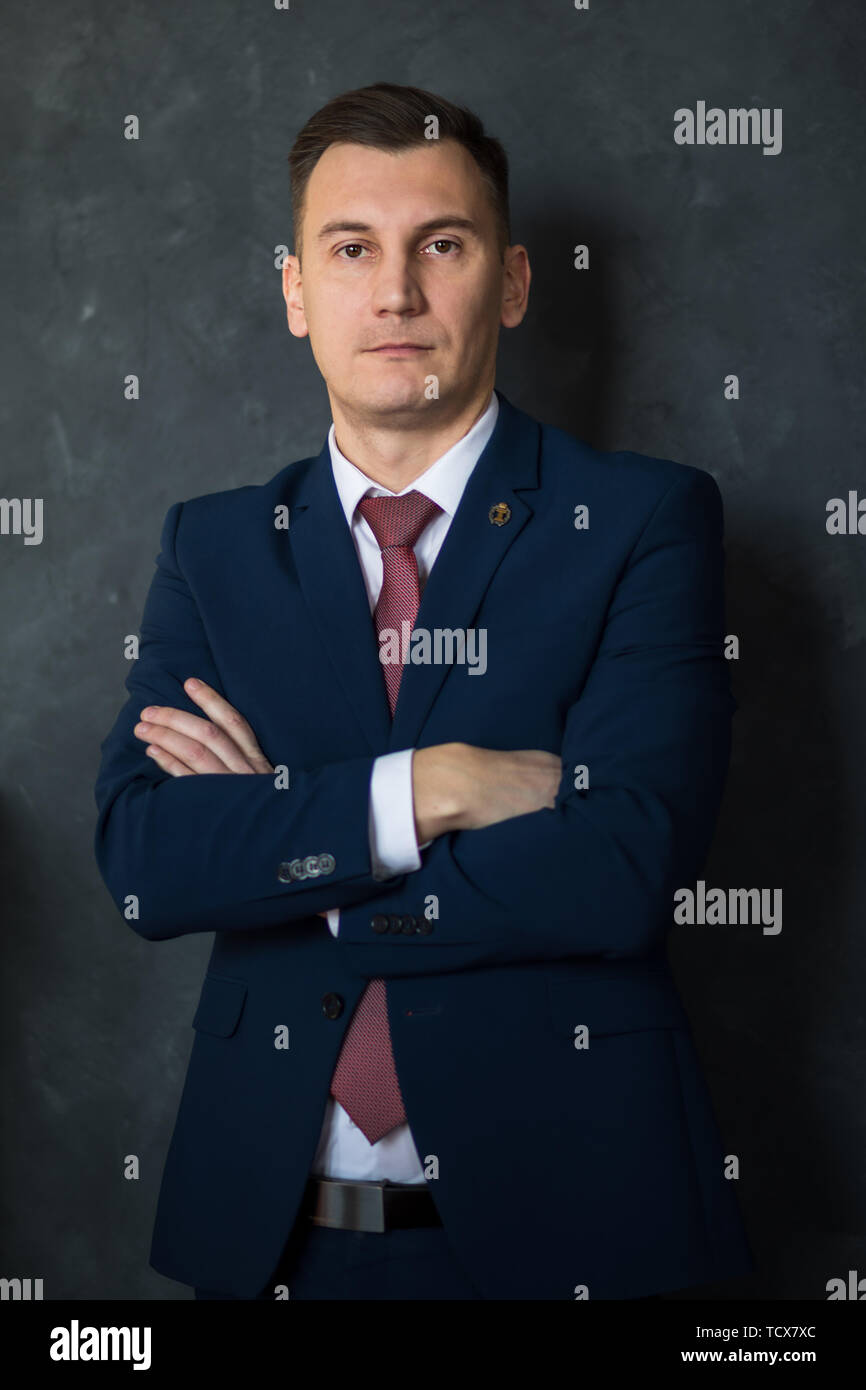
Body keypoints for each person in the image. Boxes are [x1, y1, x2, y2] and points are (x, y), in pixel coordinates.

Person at [93, 81, 754, 1300]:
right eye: (351, 249)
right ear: (296, 291)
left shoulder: (641, 521)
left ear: (508, 281)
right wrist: (426, 790)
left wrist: (303, 858)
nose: (394, 291)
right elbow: (148, 856)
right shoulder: (216, 546)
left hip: (574, 1223)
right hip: (267, 1236)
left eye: (438, 246)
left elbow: (619, 862)